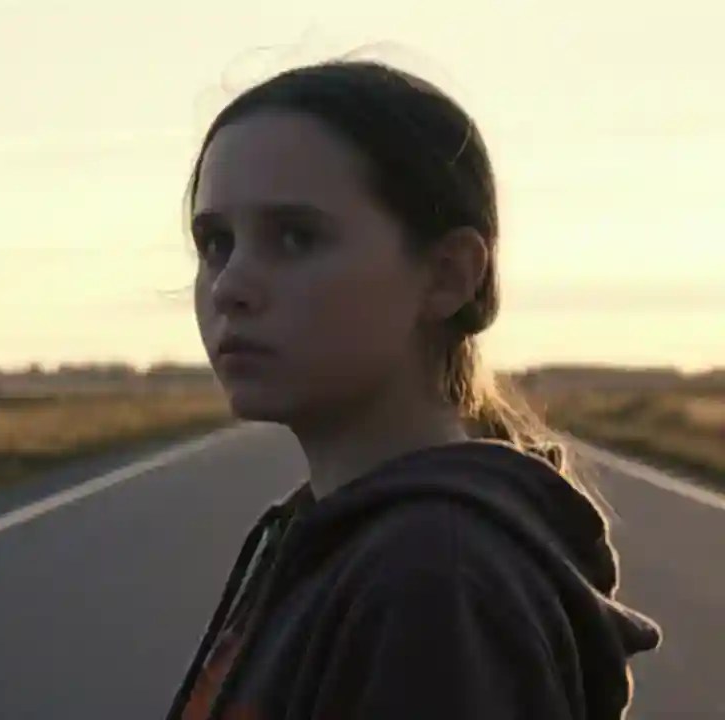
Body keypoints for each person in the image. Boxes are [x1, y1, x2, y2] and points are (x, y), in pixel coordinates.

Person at [165, 59, 662, 720]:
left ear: (447, 276)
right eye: (215, 243)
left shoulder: (432, 578)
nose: (230, 287)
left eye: (294, 237)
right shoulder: (347, 538)